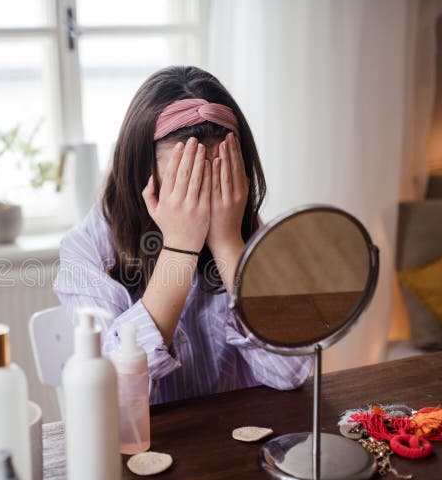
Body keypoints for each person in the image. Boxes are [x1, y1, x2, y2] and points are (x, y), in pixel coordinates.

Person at [54, 65, 312, 404]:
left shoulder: (247, 231)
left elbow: (289, 373)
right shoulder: (89, 249)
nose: (201, 199)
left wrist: (227, 243)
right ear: (139, 172)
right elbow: (115, 398)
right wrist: (179, 249)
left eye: (218, 178)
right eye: (184, 180)